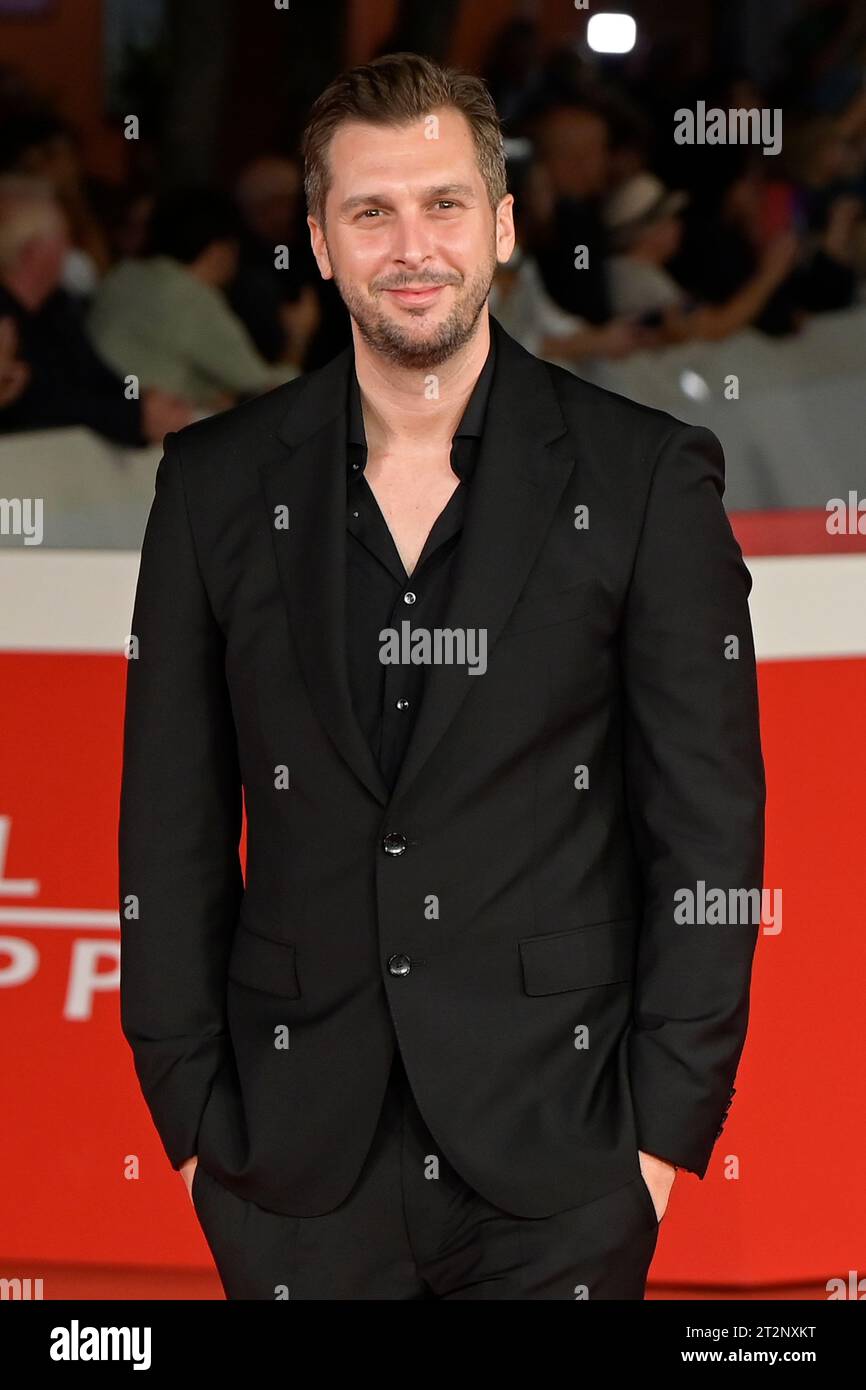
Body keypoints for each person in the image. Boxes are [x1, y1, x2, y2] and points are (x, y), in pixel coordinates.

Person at [118, 53, 765, 1301]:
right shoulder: (213, 485)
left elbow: (707, 833)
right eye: (370, 211)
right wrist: (195, 1123)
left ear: (503, 223)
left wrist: (655, 1144)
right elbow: (170, 826)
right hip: (291, 1170)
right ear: (317, 238)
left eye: (443, 203)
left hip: (562, 1161)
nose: (411, 244)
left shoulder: (642, 478)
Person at [0, 176, 190, 445]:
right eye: (64, 239)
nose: (70, 251)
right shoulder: (7, 318)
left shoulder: (59, 310)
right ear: (35, 250)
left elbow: (98, 379)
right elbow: (38, 403)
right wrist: (135, 417)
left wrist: (145, 402)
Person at [87, 186, 299, 412]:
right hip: (145, 437)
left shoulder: (122, 275)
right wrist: (297, 337)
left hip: (98, 421)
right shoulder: (189, 297)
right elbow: (270, 390)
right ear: (220, 251)